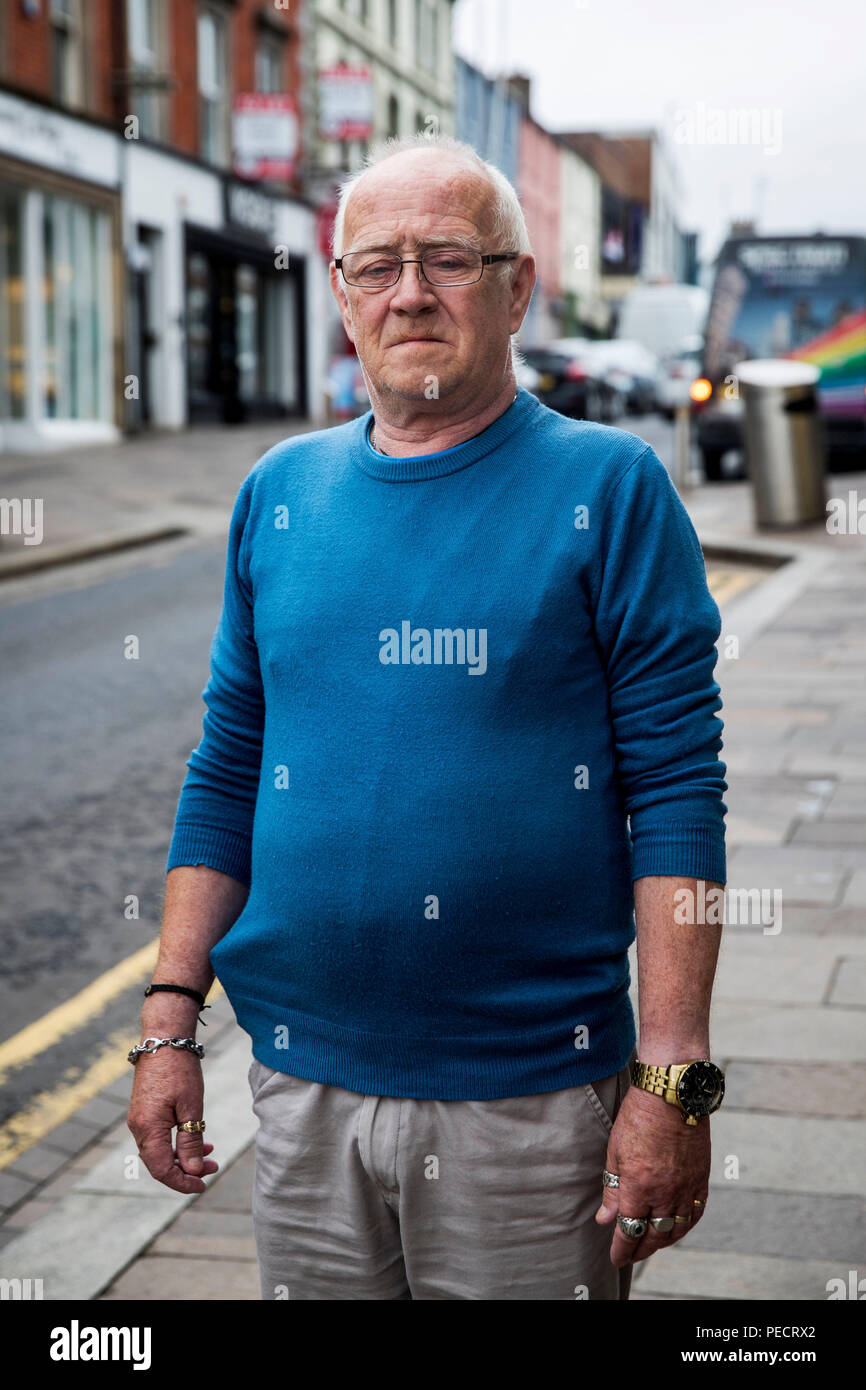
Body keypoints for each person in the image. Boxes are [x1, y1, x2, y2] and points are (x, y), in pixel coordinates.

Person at [127, 134, 728, 1301]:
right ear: (342, 296)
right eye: (375, 264)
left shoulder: (610, 488)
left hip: (530, 1095)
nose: (408, 292)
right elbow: (229, 767)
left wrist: (669, 1079)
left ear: (516, 287)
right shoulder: (278, 493)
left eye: (446, 258)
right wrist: (167, 1020)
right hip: (299, 1087)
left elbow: (675, 792)